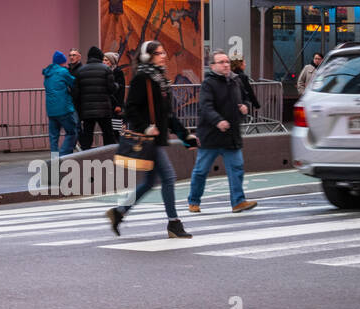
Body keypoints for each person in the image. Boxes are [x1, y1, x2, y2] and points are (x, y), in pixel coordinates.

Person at [106, 40, 199, 239]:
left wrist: (185, 135)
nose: (164, 55)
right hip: (149, 139)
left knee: (149, 182)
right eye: (159, 53)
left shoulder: (161, 79)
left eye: (164, 52)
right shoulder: (143, 78)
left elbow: (168, 114)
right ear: (148, 56)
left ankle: (119, 212)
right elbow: (130, 109)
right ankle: (174, 223)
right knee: (168, 177)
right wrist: (146, 126)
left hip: (157, 139)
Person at [188, 51, 258, 214]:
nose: (226, 64)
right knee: (201, 170)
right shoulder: (208, 84)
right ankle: (194, 201)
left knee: (237, 168)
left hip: (231, 135)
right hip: (211, 135)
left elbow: (245, 99)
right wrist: (218, 120)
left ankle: (238, 201)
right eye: (221, 62)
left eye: (227, 61)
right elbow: (205, 107)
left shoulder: (235, 81)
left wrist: (244, 107)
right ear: (212, 66)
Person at [74, 46, 120, 150]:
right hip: (104, 109)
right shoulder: (106, 69)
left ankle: (85, 158)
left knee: (87, 136)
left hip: (87, 110)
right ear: (100, 56)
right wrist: (116, 86)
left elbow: (76, 92)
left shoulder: (80, 71)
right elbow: (111, 88)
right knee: (108, 134)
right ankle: (109, 157)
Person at [43, 50, 80, 156]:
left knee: (54, 136)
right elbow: (73, 82)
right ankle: (62, 157)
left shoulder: (47, 73)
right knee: (72, 132)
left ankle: (54, 160)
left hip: (51, 110)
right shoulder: (63, 72)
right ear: (62, 62)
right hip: (63, 108)